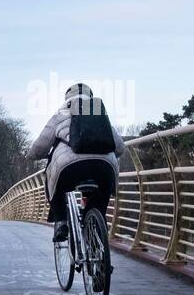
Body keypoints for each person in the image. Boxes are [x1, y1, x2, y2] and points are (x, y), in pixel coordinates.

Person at [25, 82, 125, 246]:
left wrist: (31, 156)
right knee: (100, 196)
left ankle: (61, 222)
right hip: (105, 167)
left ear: (67, 98)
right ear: (90, 98)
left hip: (70, 168)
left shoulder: (61, 113)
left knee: (53, 181)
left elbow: (41, 146)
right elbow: (120, 148)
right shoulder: (98, 113)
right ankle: (96, 231)